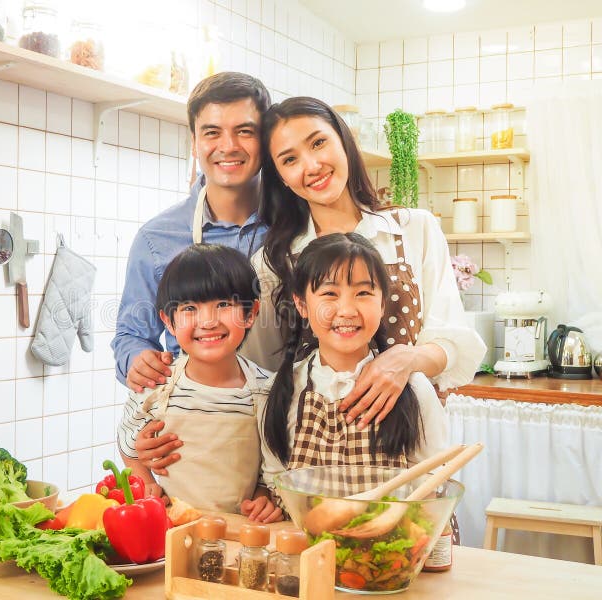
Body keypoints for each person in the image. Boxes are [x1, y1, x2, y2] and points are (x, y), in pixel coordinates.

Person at [240, 96, 485, 430]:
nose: (311, 166)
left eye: (318, 142)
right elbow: (259, 372)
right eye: (290, 159)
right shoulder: (275, 261)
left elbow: (454, 341)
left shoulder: (414, 228)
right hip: (311, 449)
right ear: (281, 177)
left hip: (408, 438)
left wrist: (406, 360)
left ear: (344, 141)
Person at [112, 72, 271, 394]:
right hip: (200, 415)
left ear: (266, 139)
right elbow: (131, 336)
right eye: (212, 132)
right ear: (195, 142)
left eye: (244, 131)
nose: (228, 146)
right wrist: (138, 360)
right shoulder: (156, 239)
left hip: (291, 417)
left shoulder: (302, 222)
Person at [256, 233, 448, 499]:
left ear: (382, 304)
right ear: (301, 304)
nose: (346, 310)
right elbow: (277, 482)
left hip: (393, 539)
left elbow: (431, 485)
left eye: (363, 293)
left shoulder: (413, 388)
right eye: (329, 293)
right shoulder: (278, 392)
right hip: (309, 539)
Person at [116, 244, 281, 523]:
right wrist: (145, 482)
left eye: (224, 305)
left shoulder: (267, 389)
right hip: (171, 527)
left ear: (250, 313)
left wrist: (264, 496)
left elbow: (270, 467)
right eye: (190, 308)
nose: (207, 321)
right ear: (168, 321)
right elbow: (128, 444)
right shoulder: (156, 385)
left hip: (238, 532)